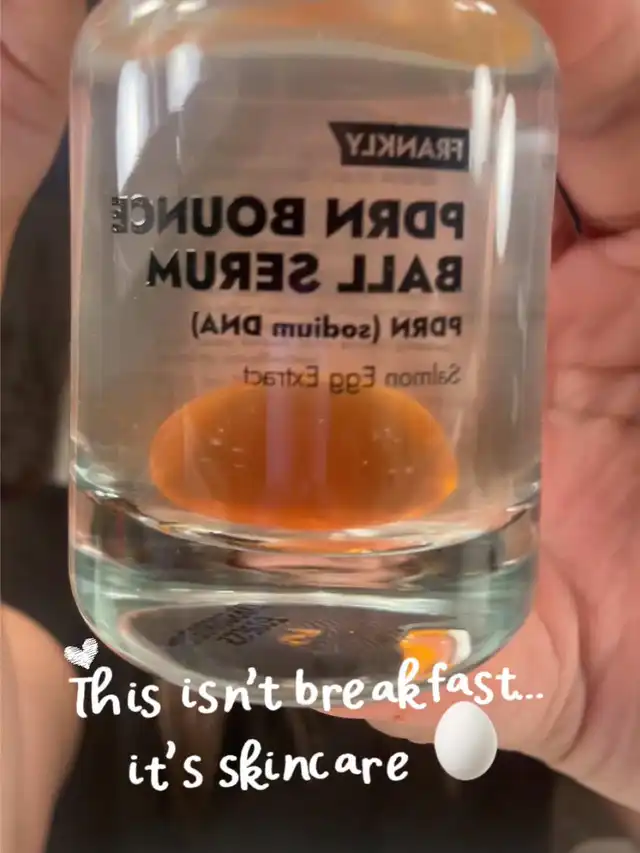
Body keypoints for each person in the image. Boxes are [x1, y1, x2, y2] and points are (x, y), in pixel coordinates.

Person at [1, 1, 638, 851]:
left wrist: (618, 672)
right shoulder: (51, 570)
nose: (318, 335)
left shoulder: (528, 606)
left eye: (389, 272)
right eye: (257, 255)